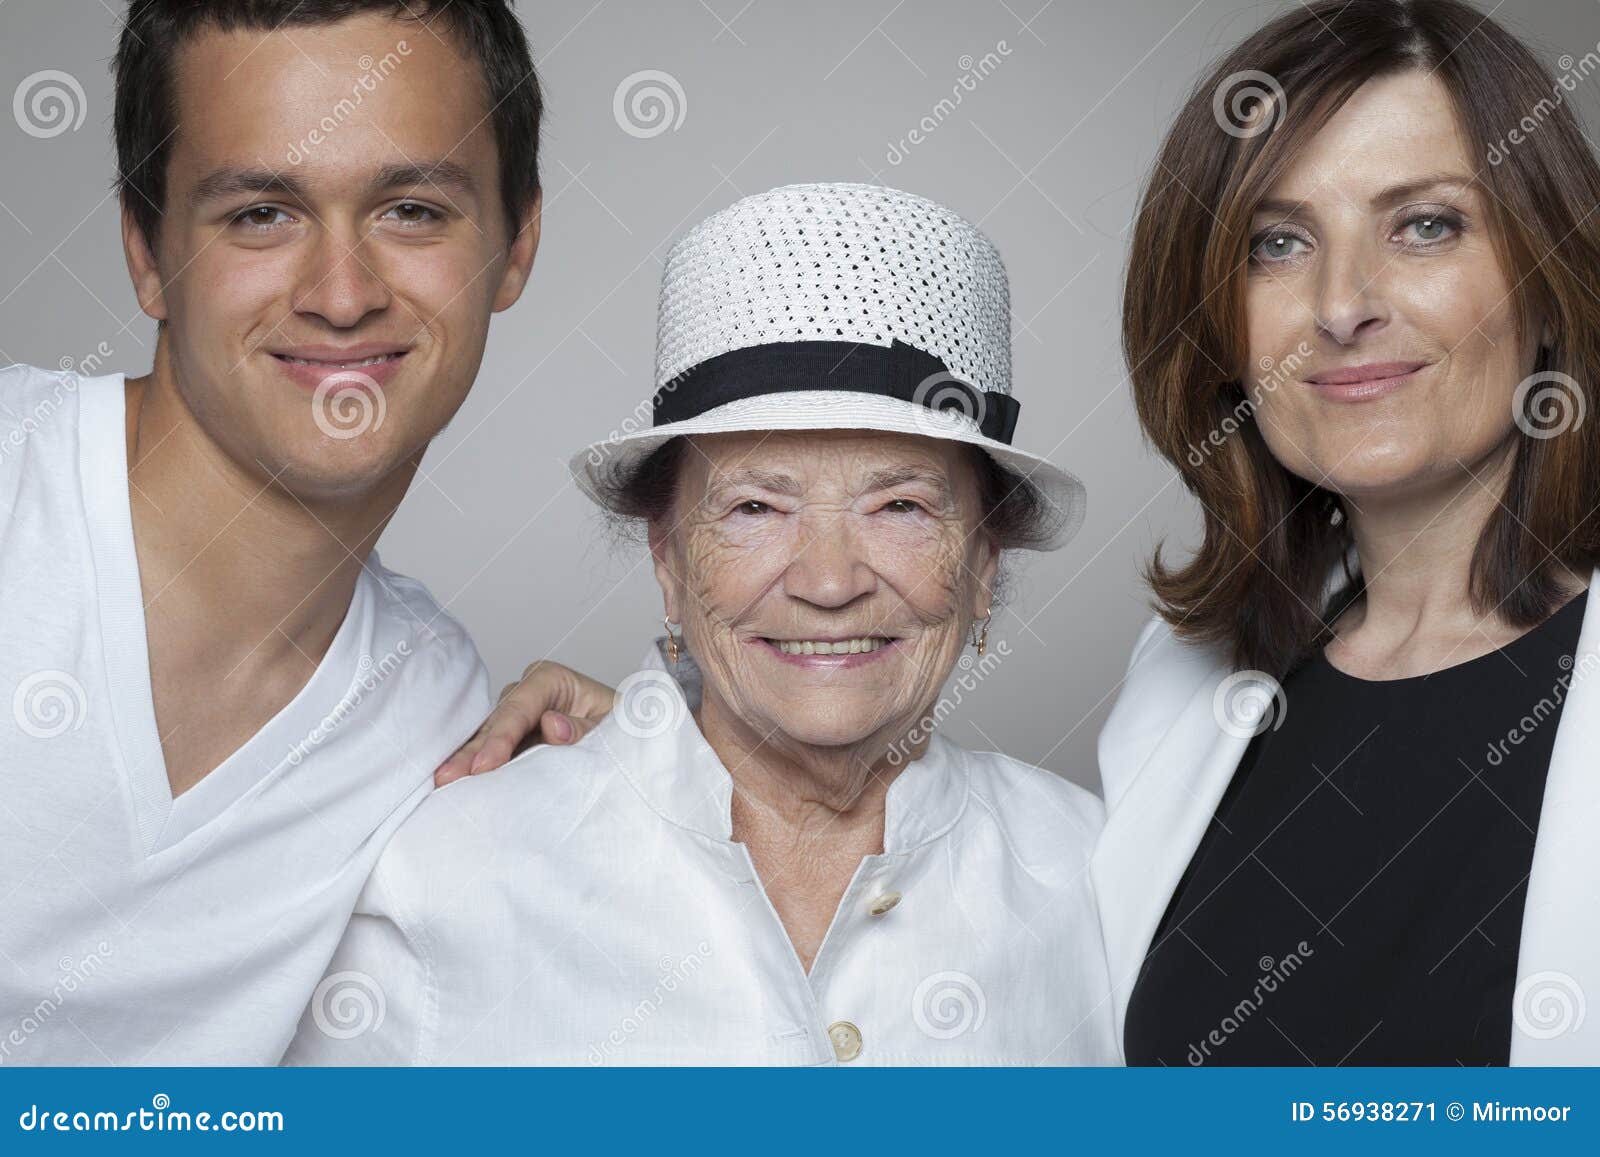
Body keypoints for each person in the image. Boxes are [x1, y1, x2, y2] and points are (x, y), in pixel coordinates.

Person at [446, 0, 1600, 1068]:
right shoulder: (1192, 694)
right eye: (1276, 242)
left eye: (1427, 224)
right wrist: (649, 754)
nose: (1343, 302)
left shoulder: (1068, 834)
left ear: (1548, 271)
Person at [288, 182, 1115, 1065]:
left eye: (901, 505)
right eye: (756, 506)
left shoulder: (1102, 877)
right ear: (668, 559)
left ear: (984, 561)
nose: (829, 581)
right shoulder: (445, 877)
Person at [0, 0, 541, 1064]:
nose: (341, 295)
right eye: (260, 213)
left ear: (515, 246)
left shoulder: (438, 720)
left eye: (413, 210)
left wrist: (655, 775)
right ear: (145, 253)